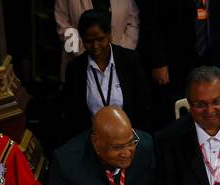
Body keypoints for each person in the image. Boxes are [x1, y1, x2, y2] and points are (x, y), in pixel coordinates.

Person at [61, 8, 153, 138]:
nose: (95, 46)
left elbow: (143, 106)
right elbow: (73, 115)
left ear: (109, 35)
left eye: (100, 39)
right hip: (92, 141)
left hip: (129, 138)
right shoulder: (75, 69)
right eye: (88, 41)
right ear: (82, 39)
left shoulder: (130, 60)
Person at [56, 0, 140, 73]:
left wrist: (121, 52)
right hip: (78, 64)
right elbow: (63, 26)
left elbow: (132, 20)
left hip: (119, 63)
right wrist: (84, 54)